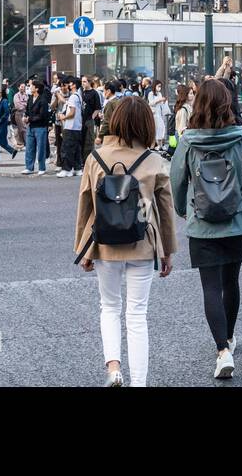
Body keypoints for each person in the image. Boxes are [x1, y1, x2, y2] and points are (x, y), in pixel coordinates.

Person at [171, 79, 242, 381]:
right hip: (237, 224)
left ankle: (222, 351)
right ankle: (229, 337)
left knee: (210, 287)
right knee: (231, 282)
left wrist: (183, 209)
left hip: (202, 226)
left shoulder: (188, 141)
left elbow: (176, 182)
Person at [74, 95, 176, 387]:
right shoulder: (154, 160)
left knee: (109, 306)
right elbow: (165, 210)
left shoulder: (95, 158)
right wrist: (167, 251)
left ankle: (114, 368)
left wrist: (83, 249)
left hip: (104, 242)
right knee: (137, 314)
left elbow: (85, 207)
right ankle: (139, 383)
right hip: (142, 243)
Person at [57, 77, 85, 178]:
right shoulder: (79, 96)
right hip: (77, 127)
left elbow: (72, 113)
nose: (68, 85)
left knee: (66, 148)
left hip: (71, 126)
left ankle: (66, 169)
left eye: (70, 83)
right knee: (76, 148)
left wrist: (63, 117)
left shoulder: (73, 97)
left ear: (73, 85)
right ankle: (77, 169)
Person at [23, 79, 52, 175]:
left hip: (40, 127)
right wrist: (25, 116)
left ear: (37, 88)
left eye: (32, 86)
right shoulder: (30, 98)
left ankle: (42, 168)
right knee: (29, 148)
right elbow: (27, 110)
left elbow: (42, 115)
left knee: (41, 148)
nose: (30, 87)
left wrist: (29, 119)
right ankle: (29, 167)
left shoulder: (43, 100)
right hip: (30, 127)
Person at [0, 86, 17, 163]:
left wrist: (0, 120)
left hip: (1, 124)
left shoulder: (4, 101)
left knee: (1, 140)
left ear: (1, 93)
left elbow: (6, 112)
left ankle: (12, 150)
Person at [148, 81, 168, 148]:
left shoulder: (159, 93)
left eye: (160, 86)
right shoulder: (151, 93)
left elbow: (161, 104)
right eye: (158, 86)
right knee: (155, 128)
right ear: (154, 86)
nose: (159, 88)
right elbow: (150, 103)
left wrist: (163, 101)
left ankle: (160, 144)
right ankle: (154, 144)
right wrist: (158, 100)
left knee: (161, 128)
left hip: (159, 113)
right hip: (154, 114)